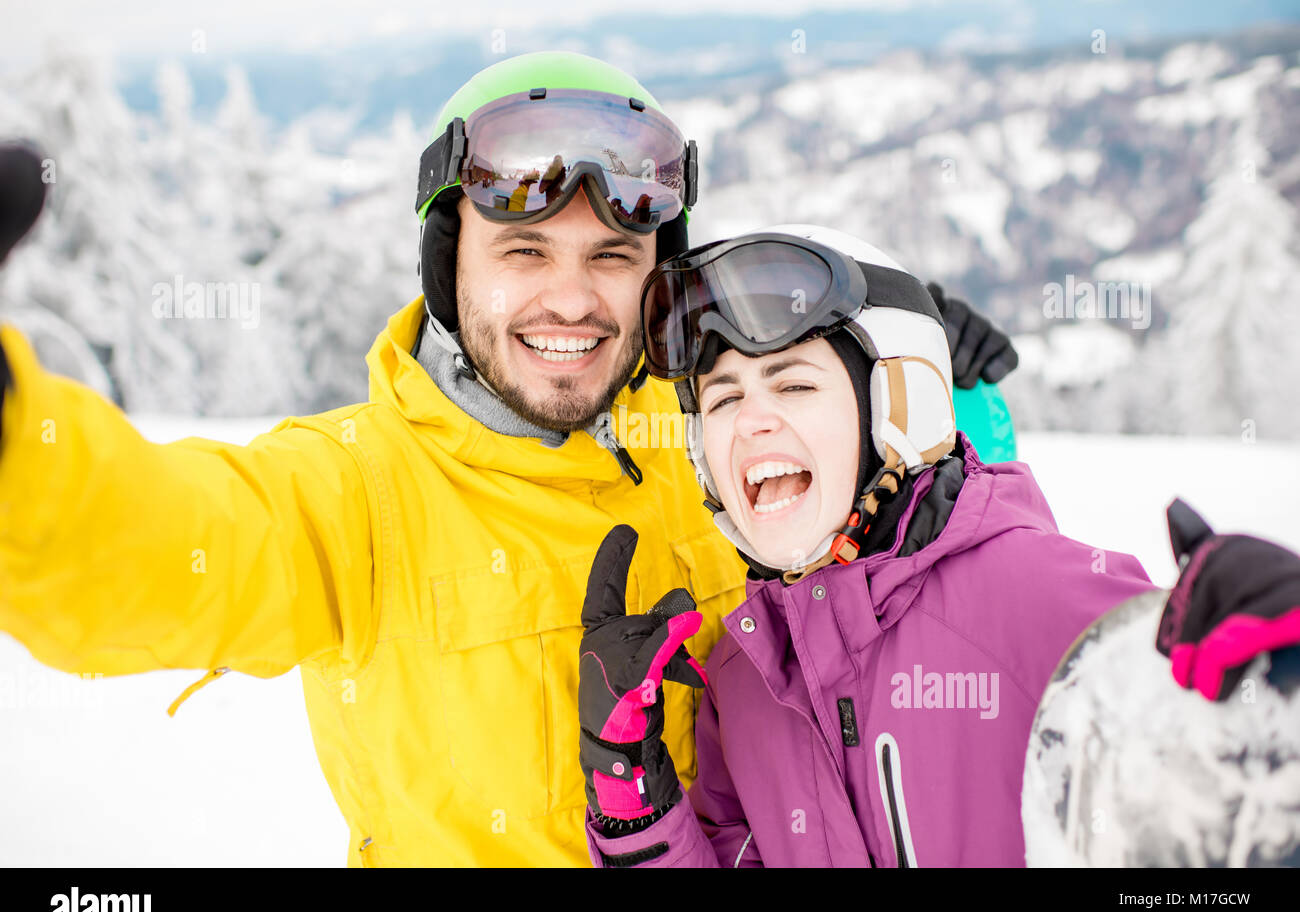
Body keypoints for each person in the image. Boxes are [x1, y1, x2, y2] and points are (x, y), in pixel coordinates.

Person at [0, 54, 1016, 866]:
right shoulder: (353, 488)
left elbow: (922, 583)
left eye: (610, 260)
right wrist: (17, 457)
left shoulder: (722, 432)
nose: (570, 302)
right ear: (450, 268)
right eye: (523, 254)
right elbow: (147, 548)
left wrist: (927, 391)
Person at [576, 225, 1160, 866]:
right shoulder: (741, 681)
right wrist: (631, 798)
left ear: (896, 408)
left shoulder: (1043, 601)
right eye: (724, 399)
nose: (750, 421)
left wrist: (1274, 651)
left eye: (794, 385)